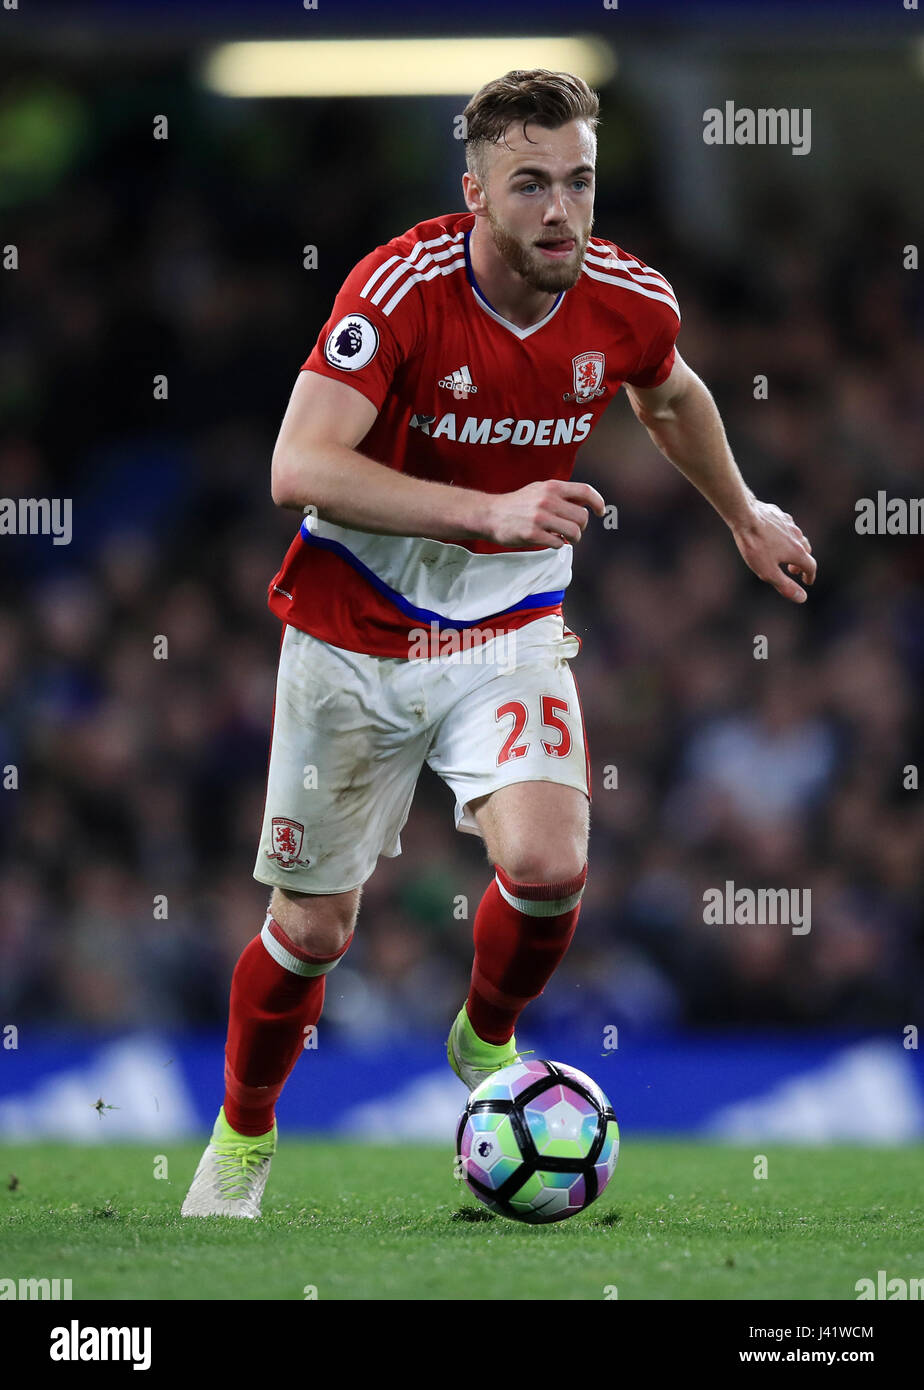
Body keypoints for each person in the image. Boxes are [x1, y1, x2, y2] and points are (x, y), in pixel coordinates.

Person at [182, 69, 815, 1218]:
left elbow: (670, 395)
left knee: (548, 862)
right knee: (311, 930)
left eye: (578, 182)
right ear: (472, 190)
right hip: (353, 632)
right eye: (529, 185)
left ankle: (485, 1038)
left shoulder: (628, 300)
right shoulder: (399, 291)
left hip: (511, 623)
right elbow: (299, 468)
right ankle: (243, 1134)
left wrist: (743, 512)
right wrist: (489, 510)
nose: (561, 211)